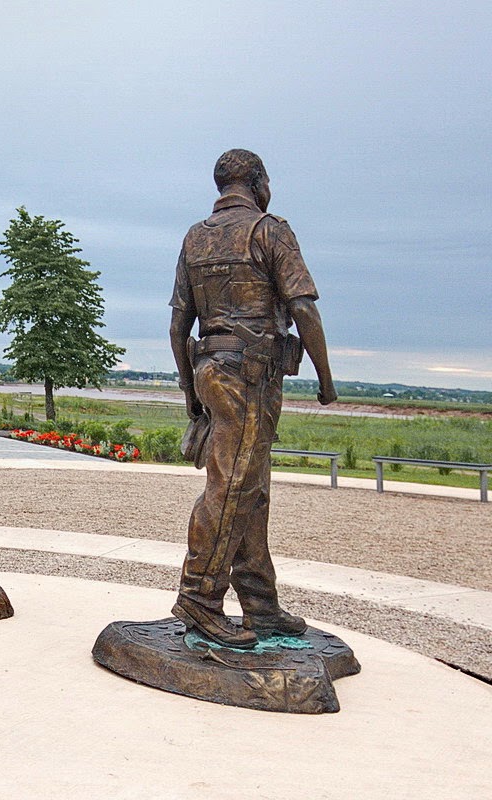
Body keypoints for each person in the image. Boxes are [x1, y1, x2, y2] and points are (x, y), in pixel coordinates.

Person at [169, 149, 337, 648]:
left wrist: (189, 388)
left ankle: (260, 604)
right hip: (250, 377)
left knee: (252, 489)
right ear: (259, 181)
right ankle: (199, 598)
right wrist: (326, 379)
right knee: (232, 487)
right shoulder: (270, 230)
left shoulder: (194, 237)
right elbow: (302, 307)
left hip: (211, 372)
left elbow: (179, 324)